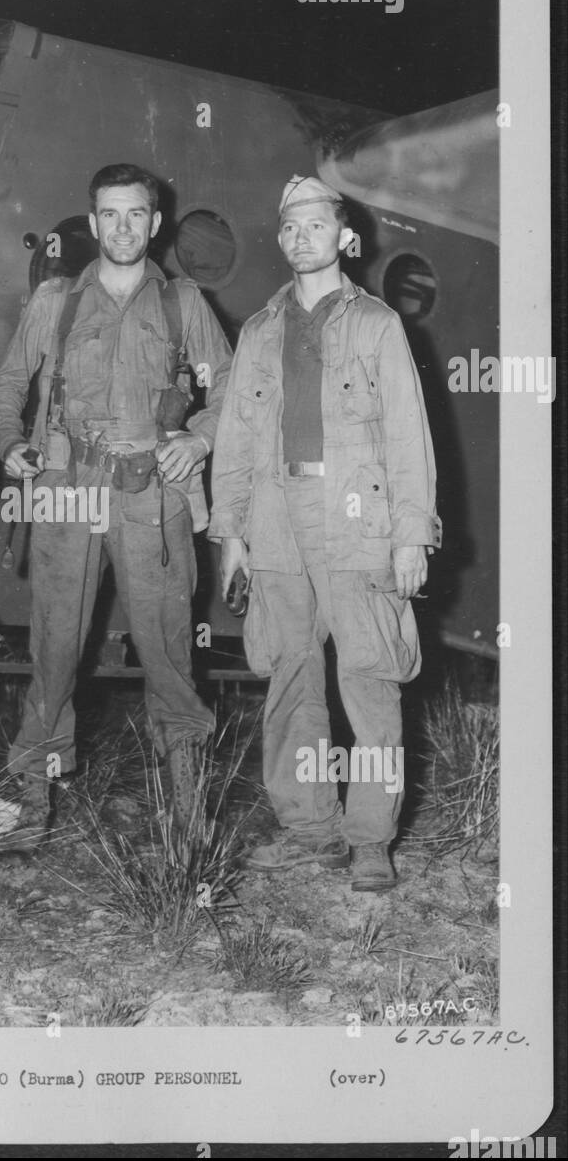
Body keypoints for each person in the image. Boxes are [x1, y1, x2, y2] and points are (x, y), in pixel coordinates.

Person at [0, 163, 234, 836]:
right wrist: (9, 441)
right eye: (110, 215)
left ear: (155, 224)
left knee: (169, 650)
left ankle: (185, 807)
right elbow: (5, 384)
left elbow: (235, 387)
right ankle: (36, 791)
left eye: (136, 215)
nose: (123, 227)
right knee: (55, 646)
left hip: (155, 495)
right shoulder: (55, 302)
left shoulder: (185, 304)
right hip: (69, 490)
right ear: (93, 225)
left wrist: (202, 440)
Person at [209, 175, 441, 892]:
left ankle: (371, 837)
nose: (300, 237)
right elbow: (237, 440)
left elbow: (408, 436)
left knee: (369, 679)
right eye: (289, 227)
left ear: (347, 238)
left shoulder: (376, 324)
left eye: (315, 225)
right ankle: (308, 826)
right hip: (276, 523)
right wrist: (232, 535)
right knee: (288, 675)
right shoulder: (259, 329)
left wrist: (410, 536)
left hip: (356, 521)